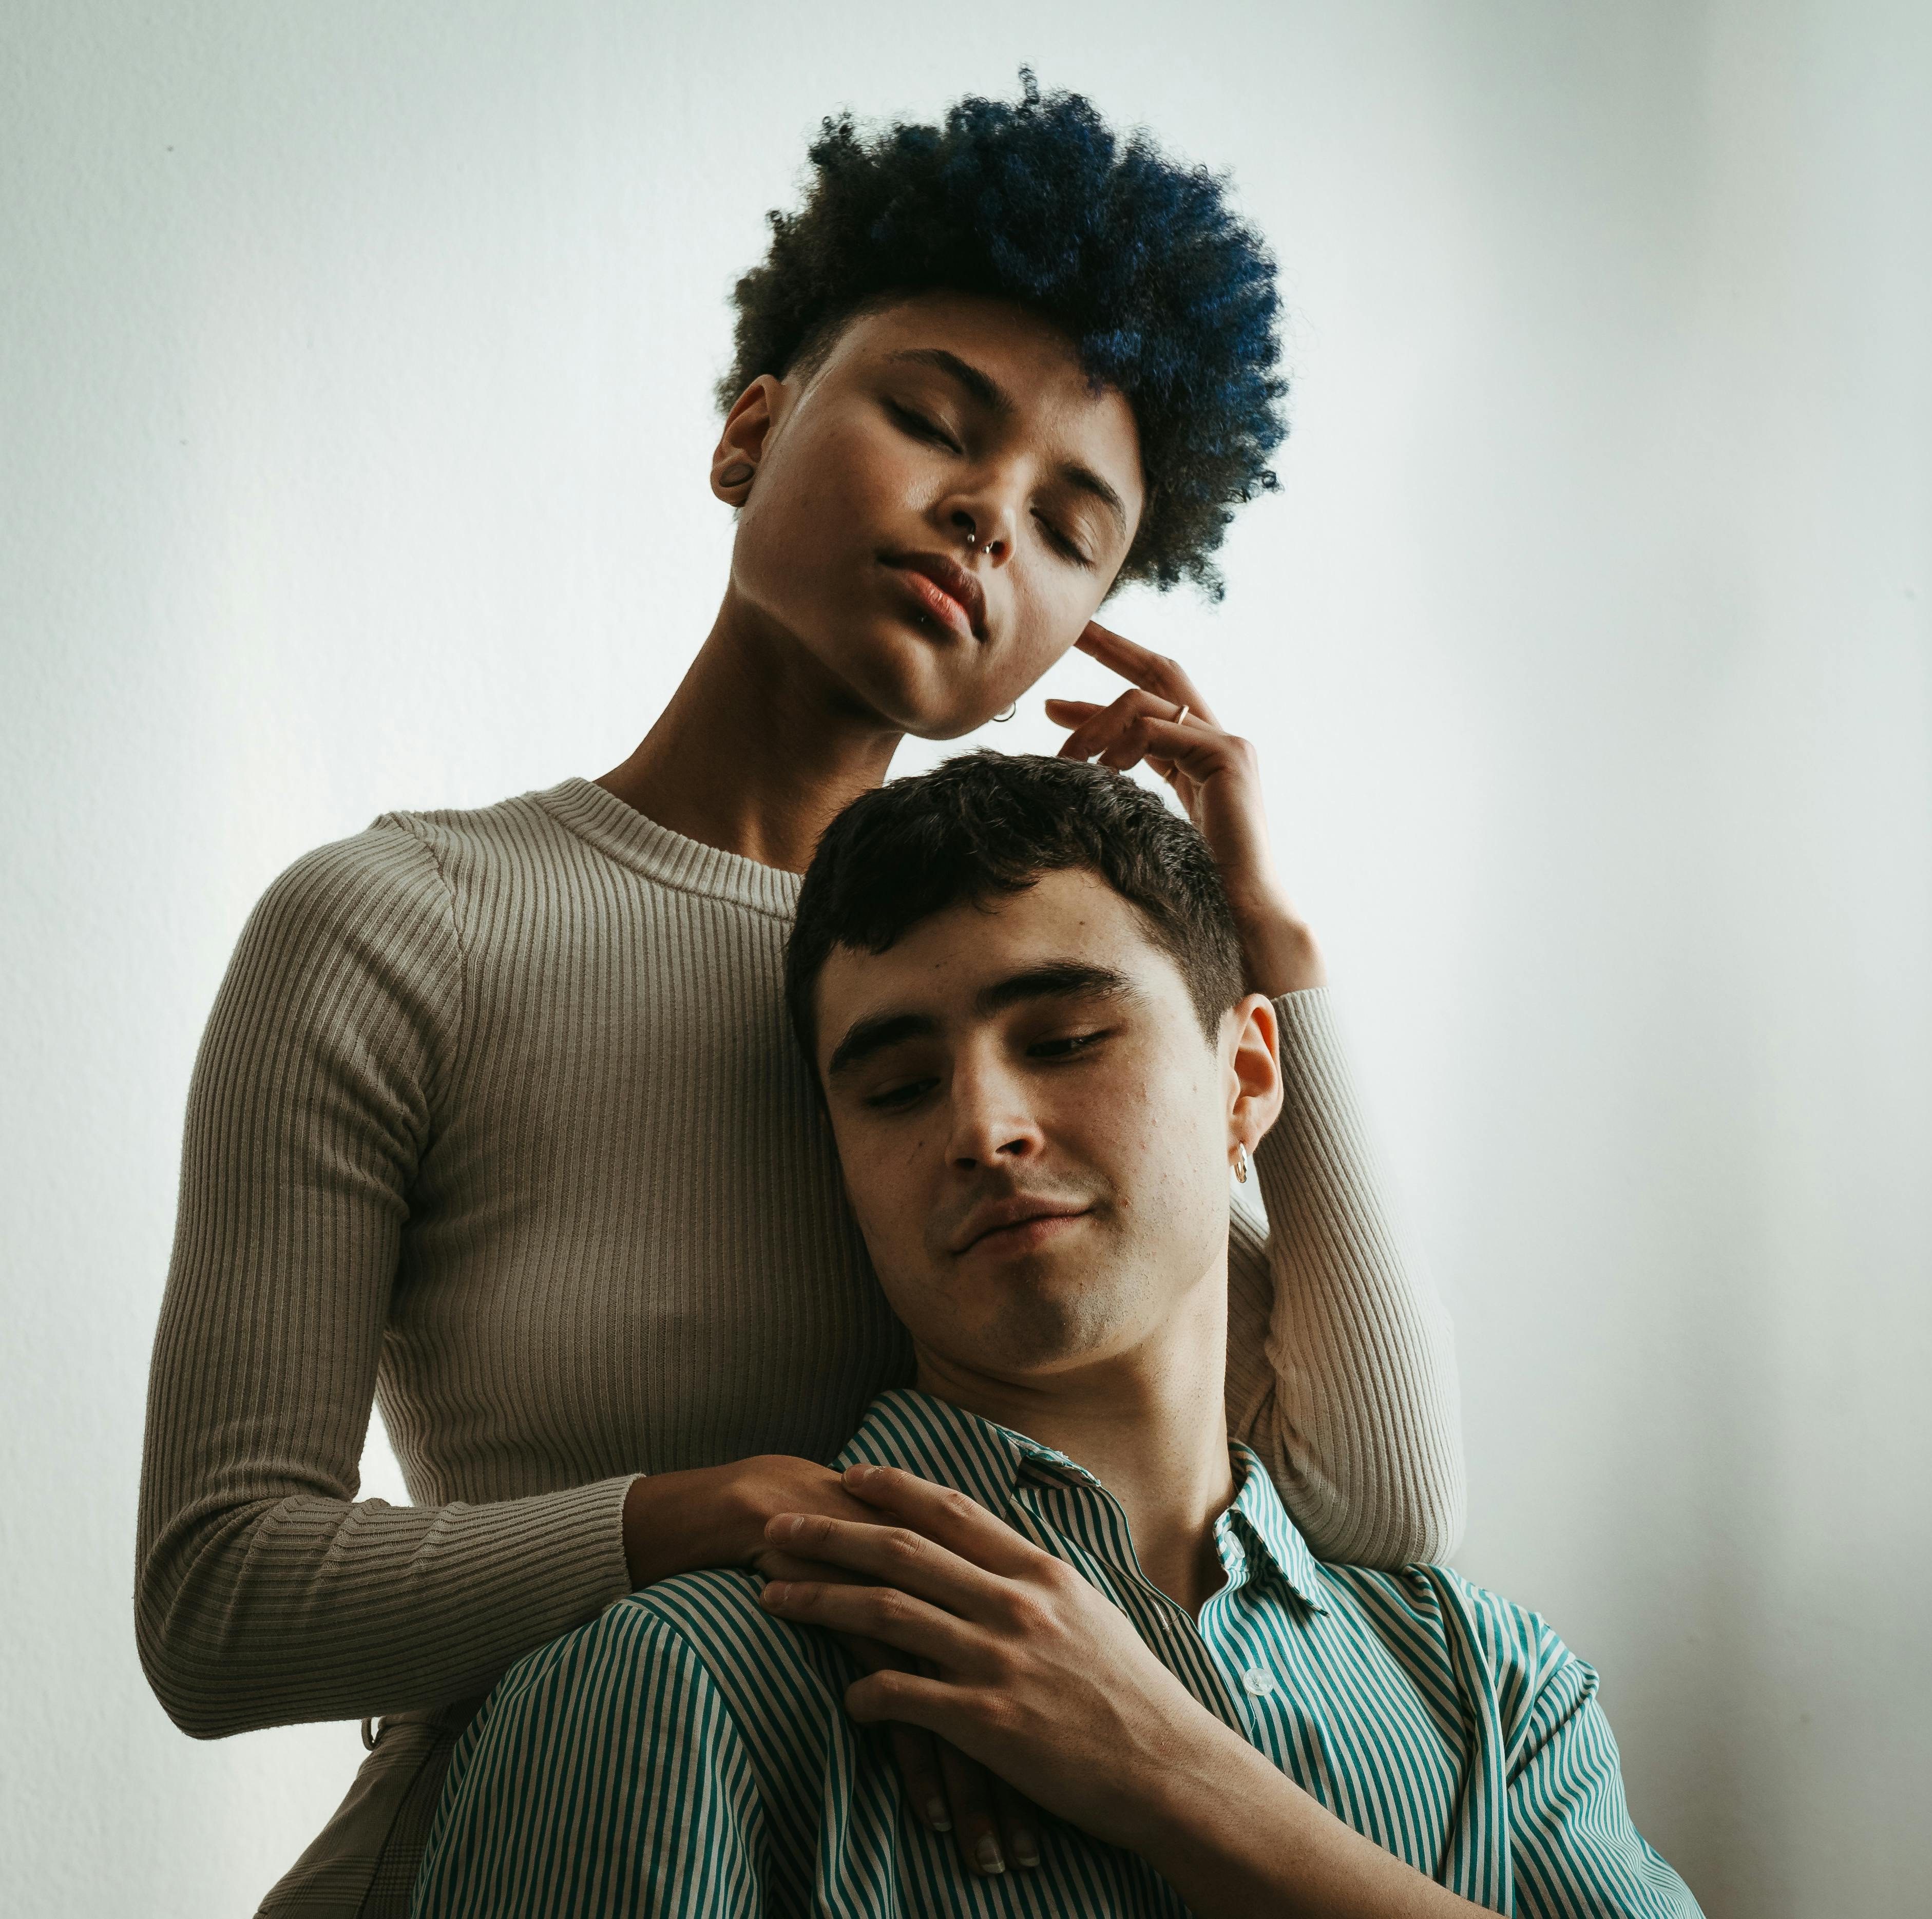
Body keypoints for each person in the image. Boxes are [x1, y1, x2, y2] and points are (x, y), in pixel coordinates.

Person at [136, 80, 1463, 1917]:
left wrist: (1270, 951)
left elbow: (1368, 1515)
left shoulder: (992, 1006)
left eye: (1075, 525)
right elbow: (220, 1601)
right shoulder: (398, 925)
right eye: (934, 419)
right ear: (750, 428)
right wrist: (739, 1516)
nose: (988, 518)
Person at [410, 752, 1698, 1919]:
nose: (982, 1128)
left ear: (1247, 1078)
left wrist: (1173, 1775)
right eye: (900, 1087)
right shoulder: (668, 1692)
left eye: (1068, 1039)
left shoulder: (1491, 1688)